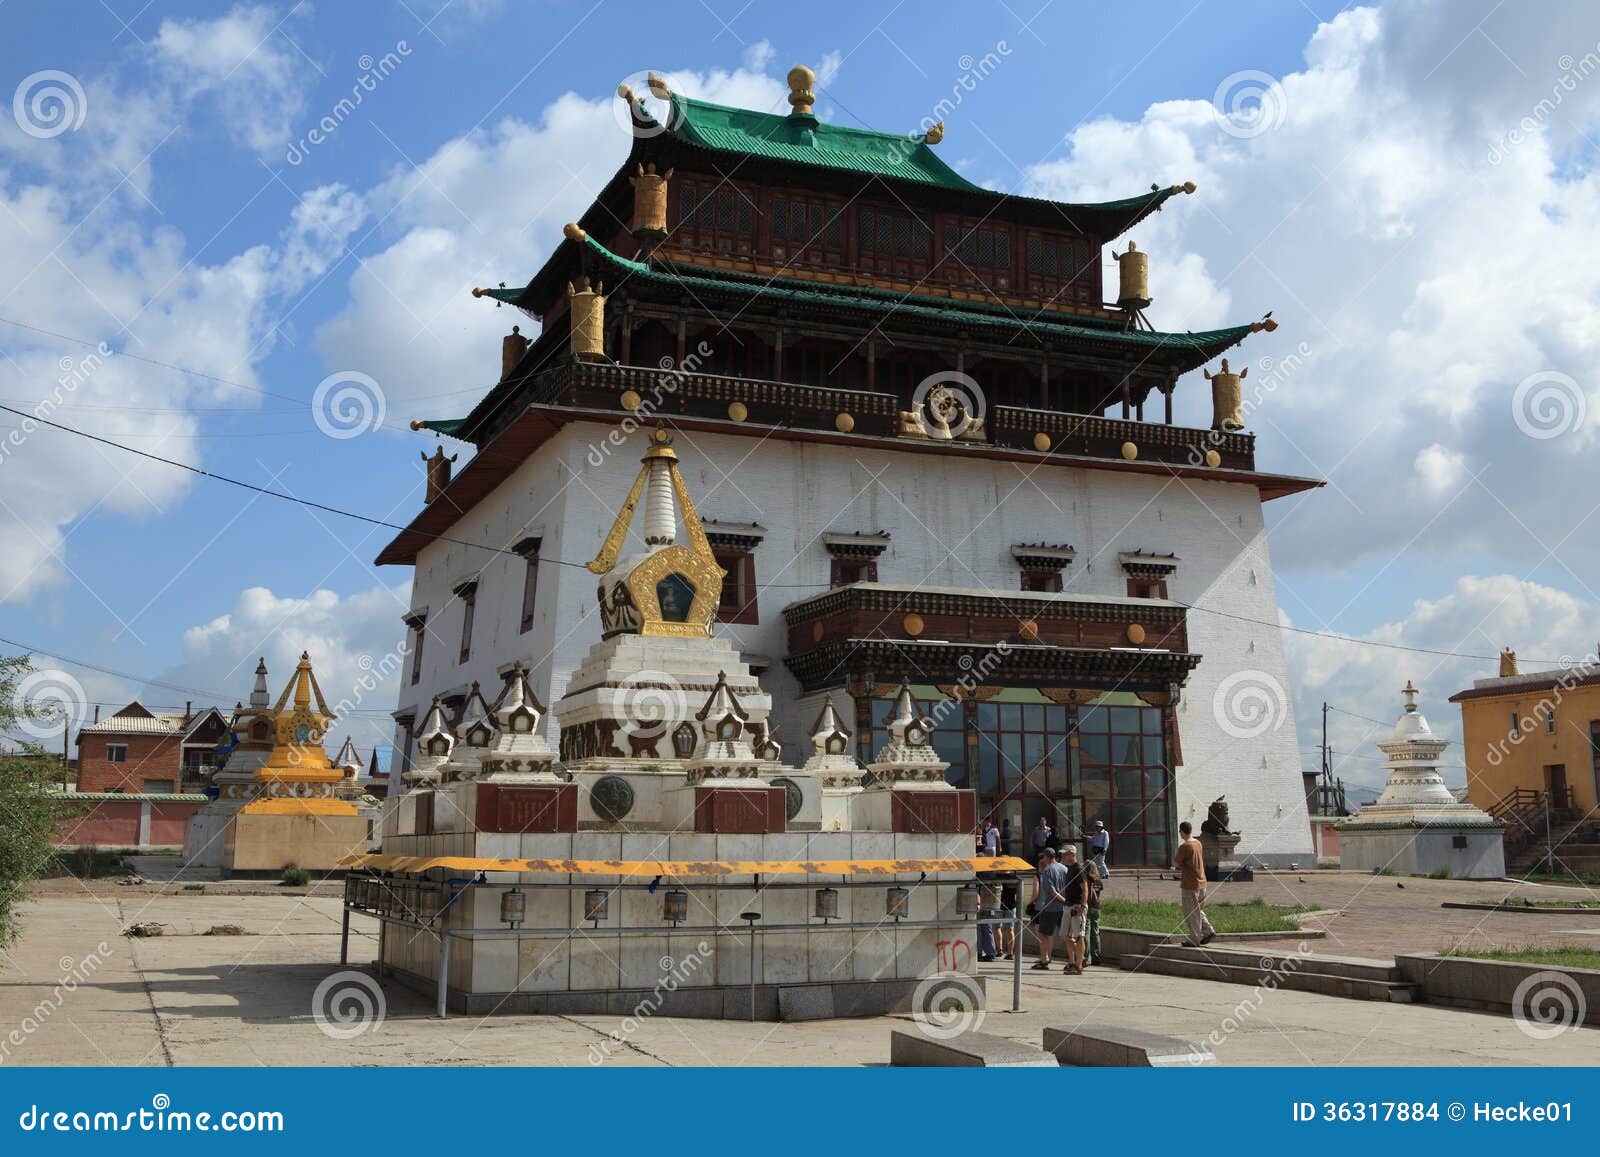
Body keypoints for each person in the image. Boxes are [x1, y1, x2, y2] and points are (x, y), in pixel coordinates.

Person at [1173, 821, 1216, 946]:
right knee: (1198, 911)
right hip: (1202, 882)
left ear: (1181, 831)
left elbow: (1176, 864)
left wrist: (1181, 865)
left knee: (1190, 912)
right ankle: (1208, 931)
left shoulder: (1185, 846)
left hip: (1190, 884)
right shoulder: (1198, 843)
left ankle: (1194, 939)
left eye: (1180, 831)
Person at [1029, 846, 1069, 969]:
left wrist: (1063, 900)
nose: (1043, 859)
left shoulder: (1047, 870)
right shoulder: (1064, 868)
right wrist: (1066, 901)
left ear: (1046, 857)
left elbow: (1051, 891)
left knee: (1043, 933)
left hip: (1050, 907)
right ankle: (1074, 960)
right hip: (1064, 908)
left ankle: (1044, 959)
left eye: (1044, 857)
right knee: (1066, 935)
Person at [1057, 845, 1088, 974]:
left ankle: (1078, 965)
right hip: (1068, 905)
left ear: (1072, 854)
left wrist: (1082, 905)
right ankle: (1074, 960)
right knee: (1064, 935)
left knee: (1079, 935)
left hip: (1077, 906)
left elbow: (1085, 888)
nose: (1063, 856)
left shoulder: (1078, 869)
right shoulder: (1069, 869)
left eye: (1065, 854)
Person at [1083, 857, 1105, 966]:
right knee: (1095, 932)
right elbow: (1099, 894)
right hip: (1097, 907)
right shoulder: (1098, 880)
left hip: (1087, 907)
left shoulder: (1085, 879)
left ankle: (1086, 957)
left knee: (1086, 931)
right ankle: (1096, 957)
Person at [975, 878, 999, 962]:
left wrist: (978, 903)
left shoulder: (978, 876)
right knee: (988, 930)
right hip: (990, 906)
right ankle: (991, 953)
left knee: (978, 931)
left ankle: (978, 954)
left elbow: (976, 892)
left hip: (980, 907)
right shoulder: (991, 876)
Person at [997, 875, 1019, 960]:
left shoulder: (997, 877)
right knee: (1009, 929)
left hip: (1001, 905)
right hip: (1009, 906)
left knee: (1000, 928)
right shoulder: (1013, 878)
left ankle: (1001, 951)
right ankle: (1008, 952)